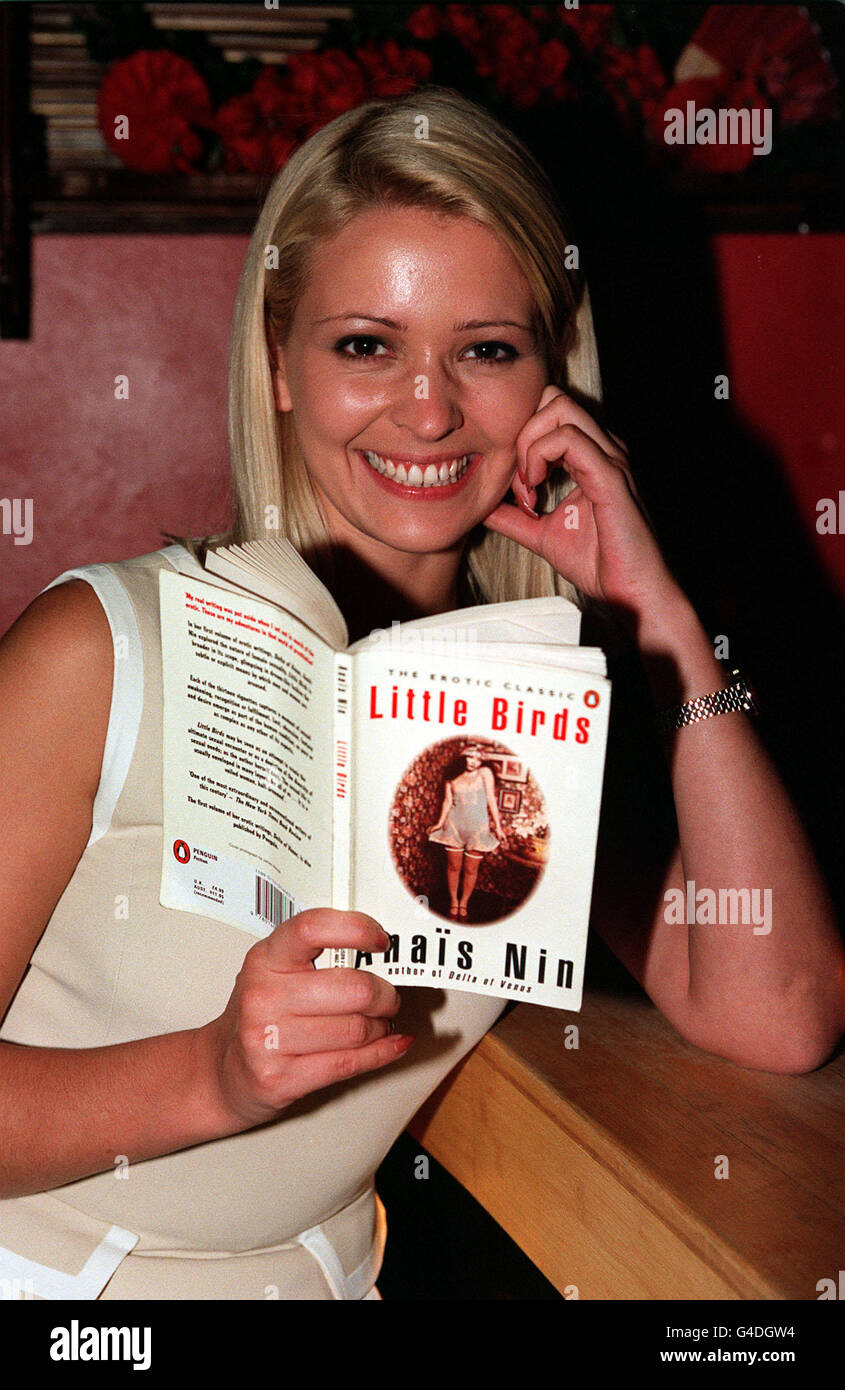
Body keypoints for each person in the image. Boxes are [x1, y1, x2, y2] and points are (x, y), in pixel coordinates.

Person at [1, 86, 843, 1301]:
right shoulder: (101, 646)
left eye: (486, 350)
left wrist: (660, 612)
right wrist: (212, 1075)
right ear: (280, 365)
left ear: (552, 377)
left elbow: (781, 1009)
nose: (432, 407)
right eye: (365, 345)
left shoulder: (527, 705)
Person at [428, 745, 505, 917]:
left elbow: (492, 799)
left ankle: (464, 903)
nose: (474, 762)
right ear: (463, 758)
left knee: (471, 869)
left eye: (478, 759)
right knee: (454, 867)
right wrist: (440, 823)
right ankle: (454, 901)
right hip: (454, 827)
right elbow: (447, 802)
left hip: (478, 828)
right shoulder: (452, 777)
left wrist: (498, 827)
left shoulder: (484, 773)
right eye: (471, 757)